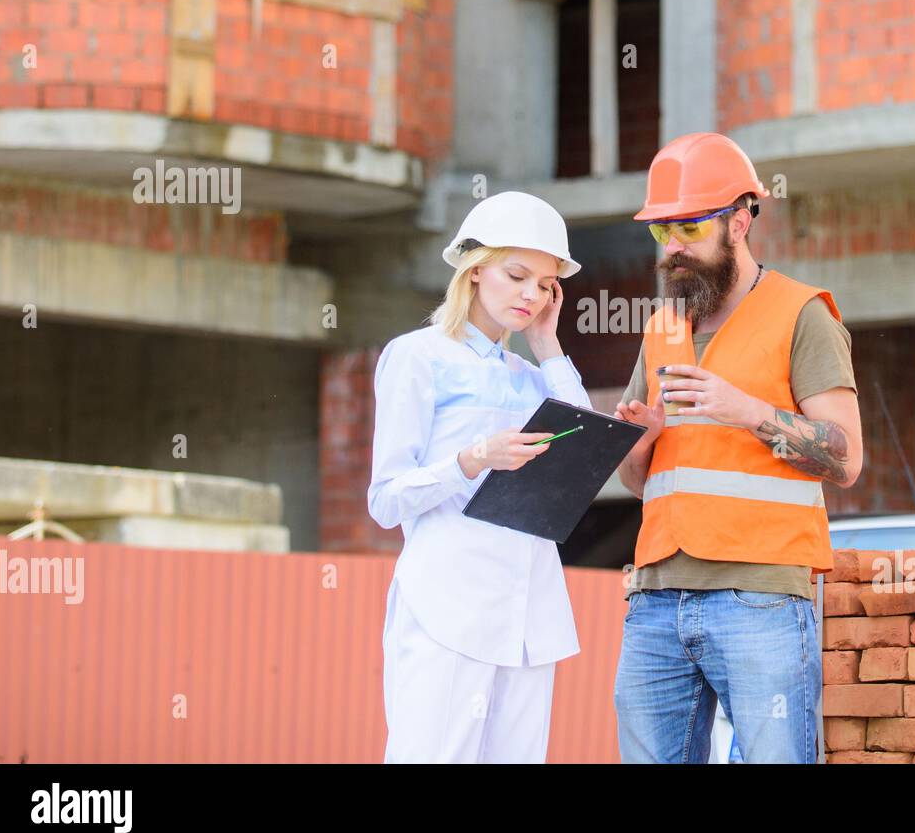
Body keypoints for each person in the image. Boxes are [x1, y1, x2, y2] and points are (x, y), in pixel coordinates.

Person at [612, 132, 863, 763]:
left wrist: (746, 410)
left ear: (740, 221)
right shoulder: (663, 329)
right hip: (656, 599)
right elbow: (641, 483)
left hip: (761, 600)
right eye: (661, 233)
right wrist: (637, 444)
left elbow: (846, 457)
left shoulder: (802, 314)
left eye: (689, 229)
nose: (673, 249)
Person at [368, 190, 591, 763]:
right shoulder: (417, 357)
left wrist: (548, 345)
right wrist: (471, 459)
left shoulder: (534, 377)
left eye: (545, 285)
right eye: (517, 275)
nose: (531, 294)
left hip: (527, 614)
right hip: (448, 606)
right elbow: (386, 500)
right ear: (474, 270)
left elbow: (589, 449)